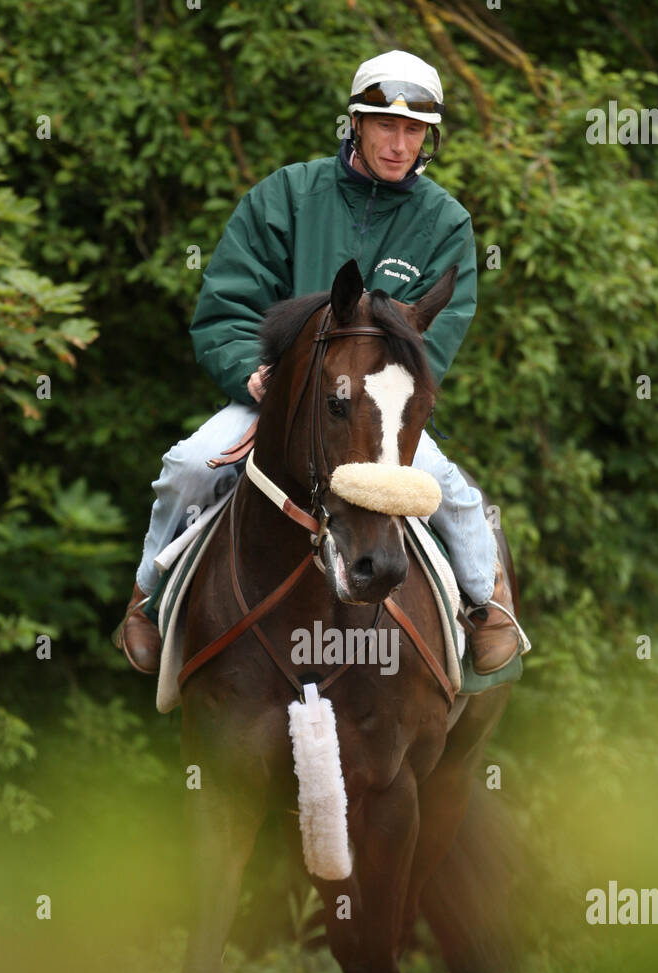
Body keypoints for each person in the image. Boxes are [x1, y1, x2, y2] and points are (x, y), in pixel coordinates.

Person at [114, 50, 527, 676]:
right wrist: (247, 372)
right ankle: (146, 599)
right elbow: (226, 307)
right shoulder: (285, 195)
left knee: (448, 488)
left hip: (378, 414)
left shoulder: (446, 224)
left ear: (429, 137)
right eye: (384, 125)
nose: (399, 144)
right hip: (275, 402)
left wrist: (383, 400)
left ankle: (486, 605)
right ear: (355, 124)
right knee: (191, 465)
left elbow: (432, 341)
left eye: (413, 130)